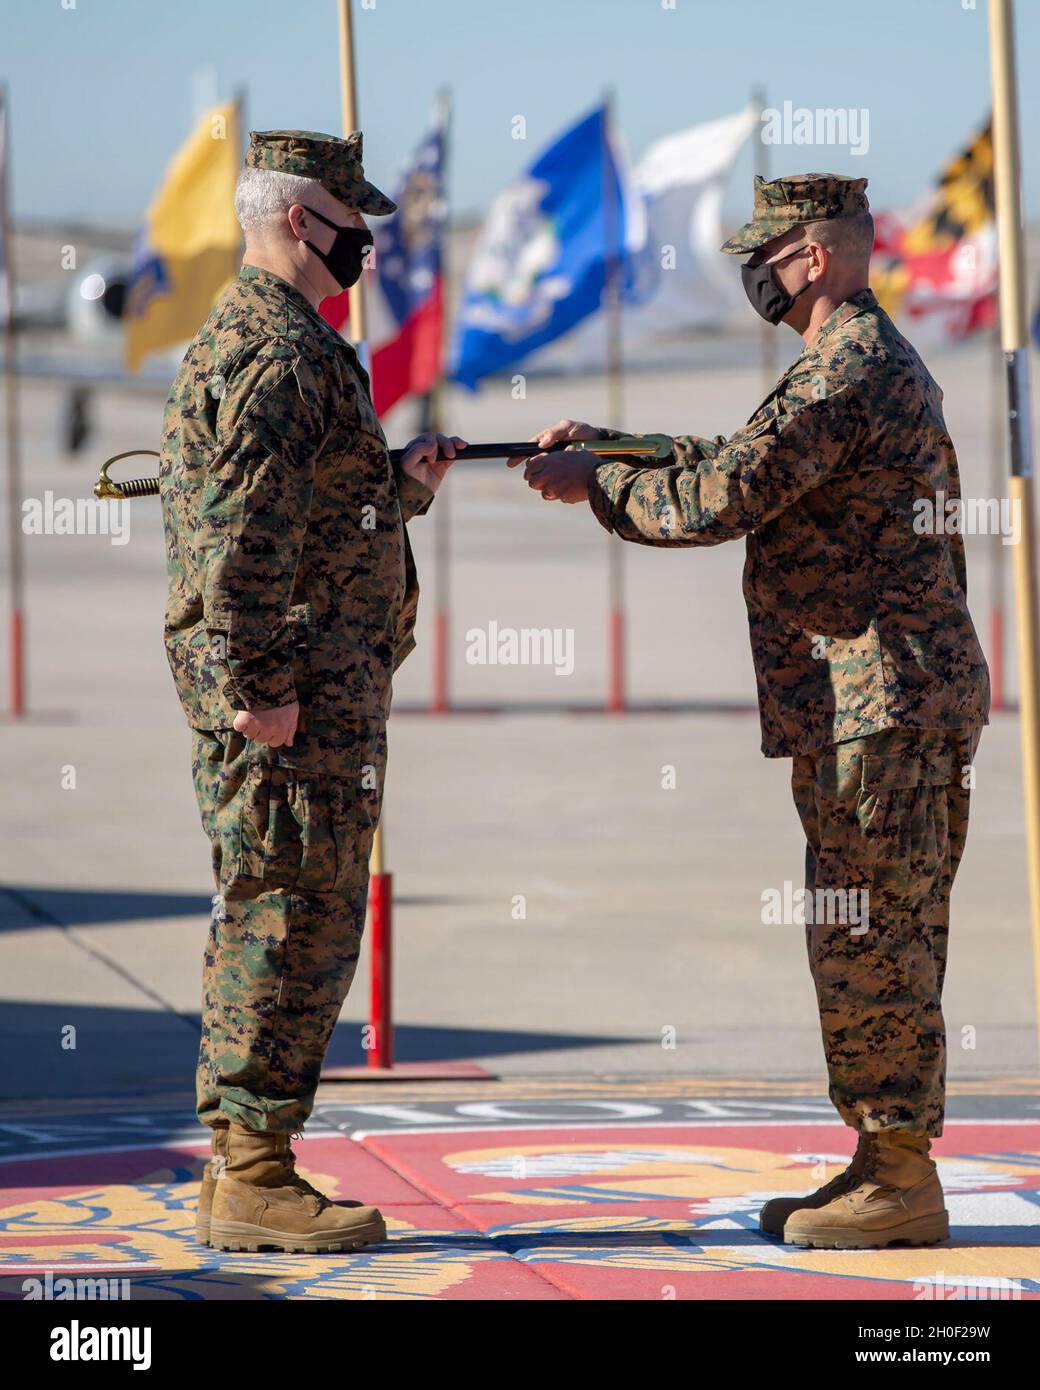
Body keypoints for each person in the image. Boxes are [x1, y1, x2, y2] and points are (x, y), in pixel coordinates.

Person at [517, 173, 990, 1250]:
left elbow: (724, 497)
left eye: (764, 256)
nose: (753, 276)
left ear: (812, 257)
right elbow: (737, 462)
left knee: (880, 938)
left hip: (886, 704)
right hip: (864, 708)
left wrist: (602, 484)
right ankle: (880, 1158)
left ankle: (901, 1171)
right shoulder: (842, 366)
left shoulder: (848, 370)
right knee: (859, 936)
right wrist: (620, 448)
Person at [160, 129, 463, 1254]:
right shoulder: (280, 352)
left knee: (292, 916)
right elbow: (236, 543)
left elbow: (300, 513)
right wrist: (259, 687)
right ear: (301, 220)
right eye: (353, 223)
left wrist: (397, 487)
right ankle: (252, 1171)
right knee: (286, 923)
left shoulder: (271, 340)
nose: (369, 248)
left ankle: (252, 1163)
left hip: (311, 694)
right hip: (292, 708)